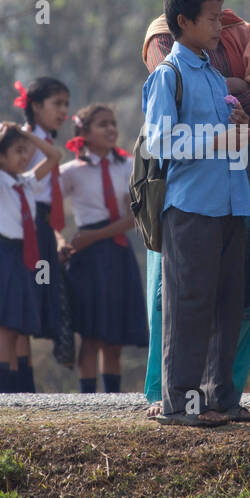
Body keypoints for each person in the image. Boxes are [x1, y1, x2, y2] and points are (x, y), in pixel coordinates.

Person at [140, 0, 250, 417]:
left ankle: (221, 398)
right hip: (190, 206)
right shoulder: (171, 75)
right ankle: (180, 401)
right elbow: (160, 142)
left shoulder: (217, 79)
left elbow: (226, 137)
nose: (221, 28)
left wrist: (237, 125)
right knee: (188, 304)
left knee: (228, 305)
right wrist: (219, 139)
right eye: (212, 20)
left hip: (232, 204)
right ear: (184, 23)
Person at [58, 104, 149, 393]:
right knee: (91, 334)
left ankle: (112, 400)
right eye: (102, 124)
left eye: (113, 123)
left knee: (114, 337)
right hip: (87, 259)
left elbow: (132, 219)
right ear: (83, 133)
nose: (111, 129)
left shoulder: (127, 166)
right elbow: (48, 214)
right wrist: (60, 241)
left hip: (116, 251)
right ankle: (87, 400)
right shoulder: (71, 172)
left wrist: (94, 236)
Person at [0, 122, 62, 392]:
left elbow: (55, 157)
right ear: (0, 155)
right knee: (5, 329)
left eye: (26, 151)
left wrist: (26, 135)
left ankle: (21, 390)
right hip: (4, 255)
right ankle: (3, 393)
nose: (24, 157)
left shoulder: (25, 182)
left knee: (20, 326)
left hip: (25, 257)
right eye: (18, 151)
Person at [15, 77, 72, 392]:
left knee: (37, 304)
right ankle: (18, 388)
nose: (64, 111)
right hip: (29, 226)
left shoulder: (43, 140)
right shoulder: (25, 141)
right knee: (23, 304)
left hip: (45, 227)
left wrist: (59, 237)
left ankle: (27, 388)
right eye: (57, 104)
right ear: (35, 106)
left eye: (66, 104)